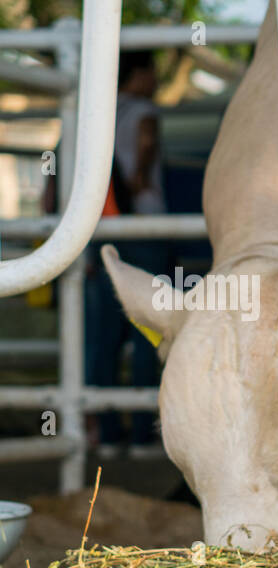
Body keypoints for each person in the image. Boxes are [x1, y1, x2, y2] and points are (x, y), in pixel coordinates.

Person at [83, 50, 168, 458]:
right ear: (138, 74)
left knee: (104, 335)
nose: (156, 79)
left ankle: (106, 431)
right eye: (151, 71)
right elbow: (147, 144)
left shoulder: (95, 111)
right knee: (149, 329)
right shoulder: (145, 111)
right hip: (147, 227)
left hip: (103, 229)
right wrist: (137, 181)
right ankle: (143, 433)